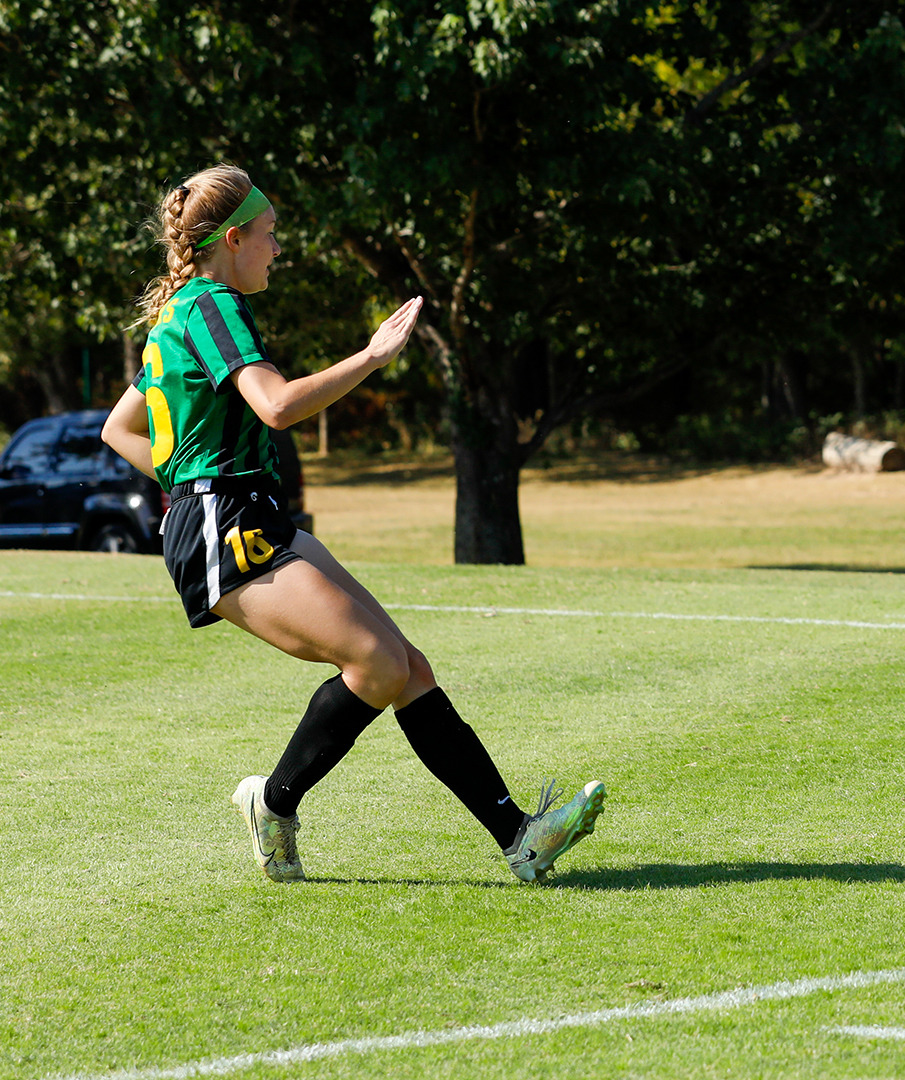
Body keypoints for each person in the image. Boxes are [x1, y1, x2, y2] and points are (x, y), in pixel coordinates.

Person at [101, 164, 606, 882]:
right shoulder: (213, 304)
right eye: (270, 234)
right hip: (226, 525)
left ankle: (520, 838)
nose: (279, 248)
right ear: (234, 239)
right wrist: (370, 358)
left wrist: (187, 485)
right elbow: (277, 406)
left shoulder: (182, 310)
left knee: (406, 667)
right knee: (375, 661)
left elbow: (119, 430)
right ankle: (273, 803)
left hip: (246, 516)